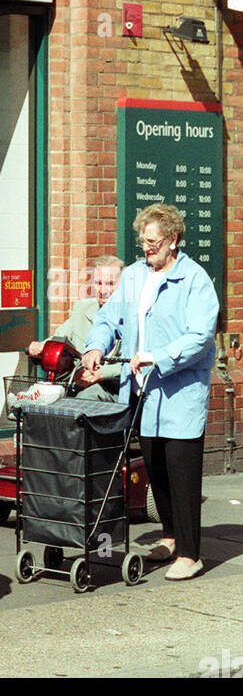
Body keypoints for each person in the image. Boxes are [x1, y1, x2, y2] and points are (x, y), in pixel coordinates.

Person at [81, 203, 219, 582]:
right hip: (142, 392)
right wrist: (96, 345)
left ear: (173, 240)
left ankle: (191, 554)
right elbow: (110, 318)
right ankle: (171, 538)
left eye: (154, 242)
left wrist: (158, 356)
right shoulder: (134, 277)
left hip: (179, 394)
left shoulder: (195, 280)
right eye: (143, 241)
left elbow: (200, 336)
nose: (146, 249)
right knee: (156, 467)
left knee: (182, 473)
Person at [28, 255, 124, 400]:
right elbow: (60, 337)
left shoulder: (135, 318)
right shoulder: (83, 309)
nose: (103, 290)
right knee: (39, 398)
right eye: (98, 283)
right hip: (76, 384)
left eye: (110, 284)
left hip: (114, 390)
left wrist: (101, 373)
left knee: (84, 399)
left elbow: (135, 363)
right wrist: (42, 346)